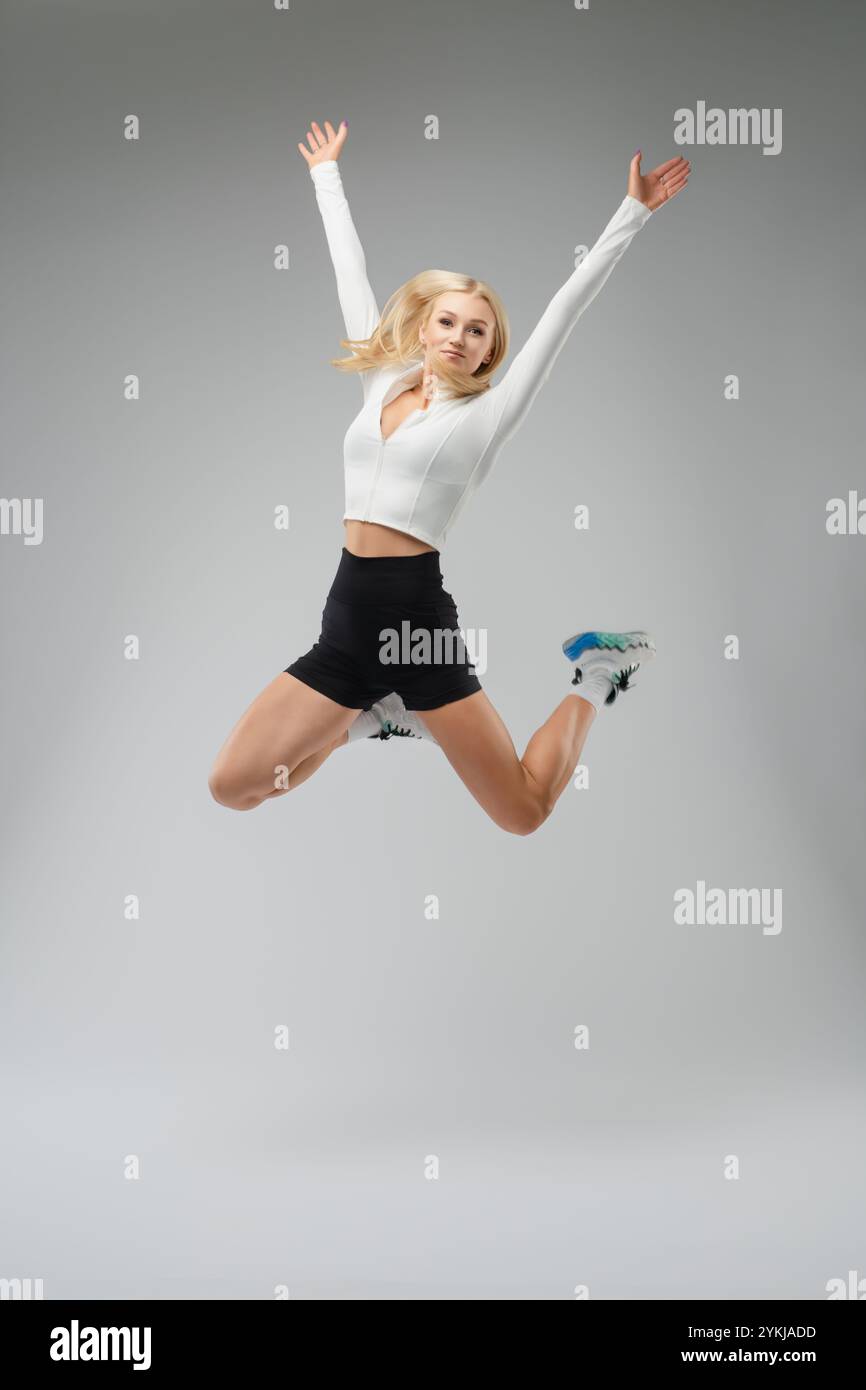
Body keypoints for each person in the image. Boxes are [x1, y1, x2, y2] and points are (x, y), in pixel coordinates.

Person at [208, 118, 690, 834]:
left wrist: (632, 211)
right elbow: (351, 273)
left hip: (415, 625)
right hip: (346, 617)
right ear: (423, 327)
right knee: (238, 785)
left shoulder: (487, 417)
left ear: (493, 349)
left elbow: (567, 306)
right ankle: (379, 720)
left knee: (523, 810)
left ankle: (595, 672)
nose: (460, 338)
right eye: (449, 322)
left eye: (479, 330)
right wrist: (325, 176)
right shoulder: (380, 383)